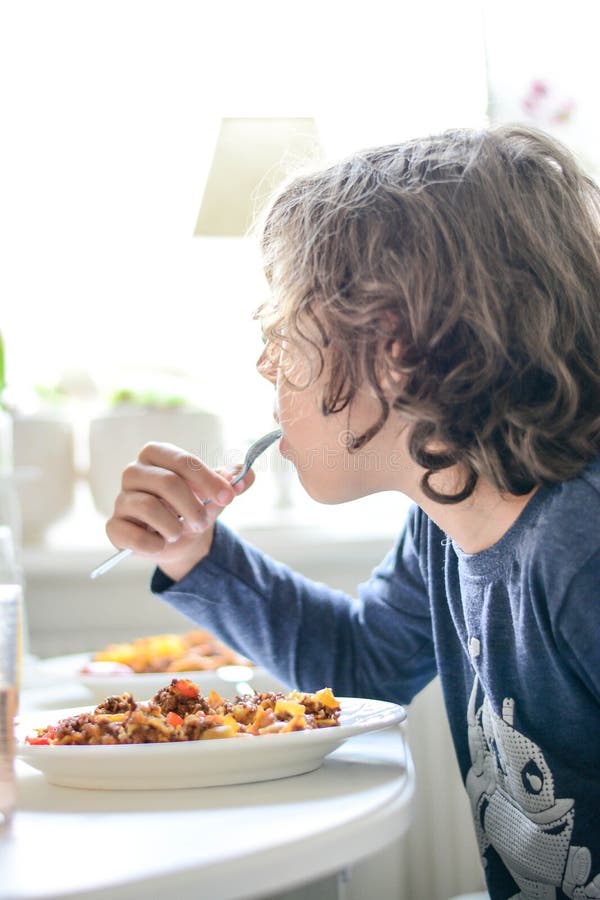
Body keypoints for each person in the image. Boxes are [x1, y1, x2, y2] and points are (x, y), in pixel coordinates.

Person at [106, 125, 600, 899]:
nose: (265, 364)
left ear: (393, 345)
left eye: (283, 334)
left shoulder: (582, 547)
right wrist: (192, 553)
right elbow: (361, 664)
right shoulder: (443, 521)